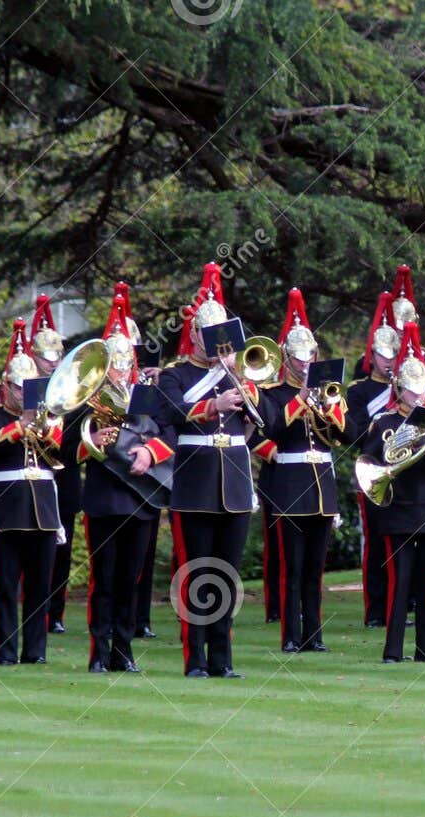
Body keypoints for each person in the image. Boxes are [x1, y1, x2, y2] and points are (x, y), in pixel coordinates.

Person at [137, 263, 265, 678]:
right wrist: (213, 404)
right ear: (193, 335)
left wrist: (248, 399)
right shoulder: (175, 374)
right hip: (194, 482)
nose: (214, 345)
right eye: (207, 337)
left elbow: (267, 424)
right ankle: (194, 658)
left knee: (226, 575)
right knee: (195, 572)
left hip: (235, 481)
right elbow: (170, 413)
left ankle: (222, 659)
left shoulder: (236, 374)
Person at [254, 288, 347, 653]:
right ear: (286, 358)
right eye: (298, 357)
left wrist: (331, 407)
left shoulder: (327, 391)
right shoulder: (274, 392)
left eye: (309, 357)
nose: (305, 364)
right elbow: (270, 428)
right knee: (291, 568)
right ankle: (291, 634)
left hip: (321, 483)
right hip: (289, 485)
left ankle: (314, 634)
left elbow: (345, 435)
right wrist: (299, 400)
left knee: (314, 569)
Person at [361, 323, 425, 663]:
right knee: (399, 583)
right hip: (399, 508)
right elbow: (371, 460)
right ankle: (393, 650)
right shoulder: (385, 422)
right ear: (398, 389)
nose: (416, 397)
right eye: (410, 391)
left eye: (421, 391)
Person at [78, 286, 160, 673]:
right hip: (104, 497)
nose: (121, 369)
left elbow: (168, 432)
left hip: (141, 499)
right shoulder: (84, 397)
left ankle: (123, 652)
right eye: (115, 362)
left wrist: (150, 452)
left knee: (130, 579)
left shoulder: (147, 393)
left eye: (126, 362)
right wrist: (90, 441)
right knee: (104, 580)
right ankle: (99, 651)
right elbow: (64, 450)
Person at [0, 319, 64, 665]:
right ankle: (7, 651)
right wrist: (19, 425)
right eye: (17, 388)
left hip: (41, 506)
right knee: (6, 588)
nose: (22, 393)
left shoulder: (51, 417)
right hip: (7, 508)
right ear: (6, 387)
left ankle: (36, 651)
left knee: (40, 587)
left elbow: (60, 456)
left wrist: (42, 427)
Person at [346, 290, 402, 630]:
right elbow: (353, 433)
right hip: (372, 467)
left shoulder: (409, 385)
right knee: (376, 546)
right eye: (382, 355)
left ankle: (400, 605)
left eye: (393, 355)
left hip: (403, 471)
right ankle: (375, 609)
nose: (388, 361)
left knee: (402, 543)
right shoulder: (360, 390)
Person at [28, 294, 81, 635]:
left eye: (56, 356)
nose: (52, 362)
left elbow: (76, 438)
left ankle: (55, 612)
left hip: (63, 476)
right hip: (30, 478)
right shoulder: (25, 390)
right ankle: (32, 609)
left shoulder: (73, 392)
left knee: (62, 549)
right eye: (46, 356)